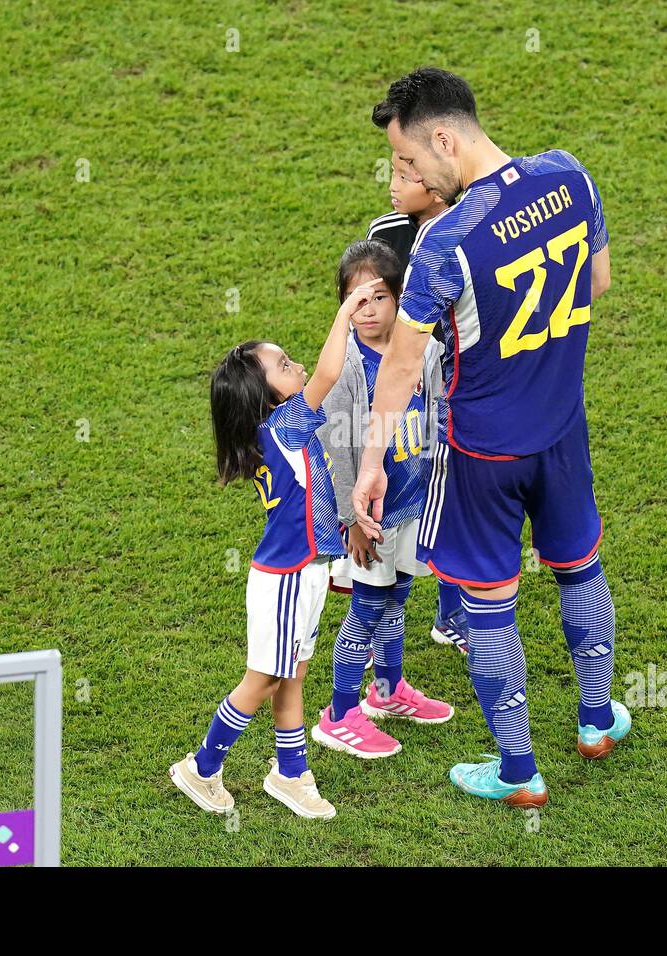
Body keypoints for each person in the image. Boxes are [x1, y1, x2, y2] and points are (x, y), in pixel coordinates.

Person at [351, 68, 625, 808]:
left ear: (445, 138)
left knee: (490, 605)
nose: (403, 175)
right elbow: (595, 284)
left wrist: (371, 462)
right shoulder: (571, 176)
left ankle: (516, 770)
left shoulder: (445, 242)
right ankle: (597, 722)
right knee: (580, 566)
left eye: (407, 161)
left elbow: (401, 371)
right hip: (563, 427)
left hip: (482, 452)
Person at [169, 276, 385, 819]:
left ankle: (290, 774)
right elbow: (331, 372)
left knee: (294, 671)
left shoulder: (286, 429)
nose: (298, 367)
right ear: (268, 397)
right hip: (287, 577)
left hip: (306, 572)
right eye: (285, 365)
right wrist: (349, 311)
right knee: (264, 676)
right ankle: (202, 767)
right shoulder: (284, 426)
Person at [313, 240, 453, 760]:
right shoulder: (344, 369)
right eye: (354, 300)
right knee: (368, 606)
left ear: (398, 299)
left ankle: (387, 692)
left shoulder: (427, 351)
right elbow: (336, 453)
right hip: (369, 516)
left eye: (376, 297)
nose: (366, 310)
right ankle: (339, 713)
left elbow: (439, 418)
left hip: (413, 503)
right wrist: (351, 518)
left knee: (396, 597)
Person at [365, 156, 468, 655]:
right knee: (396, 497)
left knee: (453, 497)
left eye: (404, 177)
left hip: (454, 380)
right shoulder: (386, 233)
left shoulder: (470, 226)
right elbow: (370, 307)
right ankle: (374, 622)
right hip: (398, 384)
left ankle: (452, 616)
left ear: (438, 187)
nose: (392, 186)